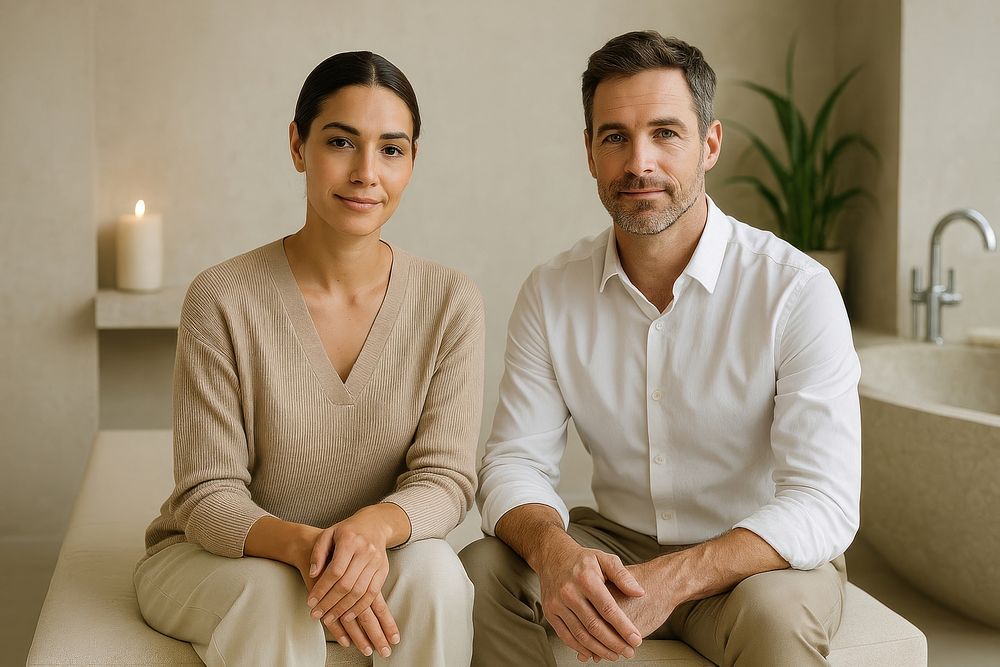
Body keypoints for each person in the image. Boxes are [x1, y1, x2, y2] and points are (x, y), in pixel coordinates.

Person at [460, 30, 860, 667]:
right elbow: (513, 461)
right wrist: (555, 553)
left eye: (666, 133)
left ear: (710, 144)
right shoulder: (551, 291)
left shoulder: (796, 291)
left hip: (752, 562)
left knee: (777, 617)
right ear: (589, 152)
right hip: (615, 544)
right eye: (614, 136)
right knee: (482, 569)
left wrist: (674, 579)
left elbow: (825, 500)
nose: (637, 161)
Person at [134, 51, 484, 666]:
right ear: (298, 146)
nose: (366, 173)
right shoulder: (221, 297)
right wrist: (309, 549)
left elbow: (446, 479)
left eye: (391, 149)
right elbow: (207, 494)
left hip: (373, 554)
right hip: (224, 559)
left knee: (437, 576)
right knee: (274, 594)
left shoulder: (451, 302)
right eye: (341, 142)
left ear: (412, 162)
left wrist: (370, 531)